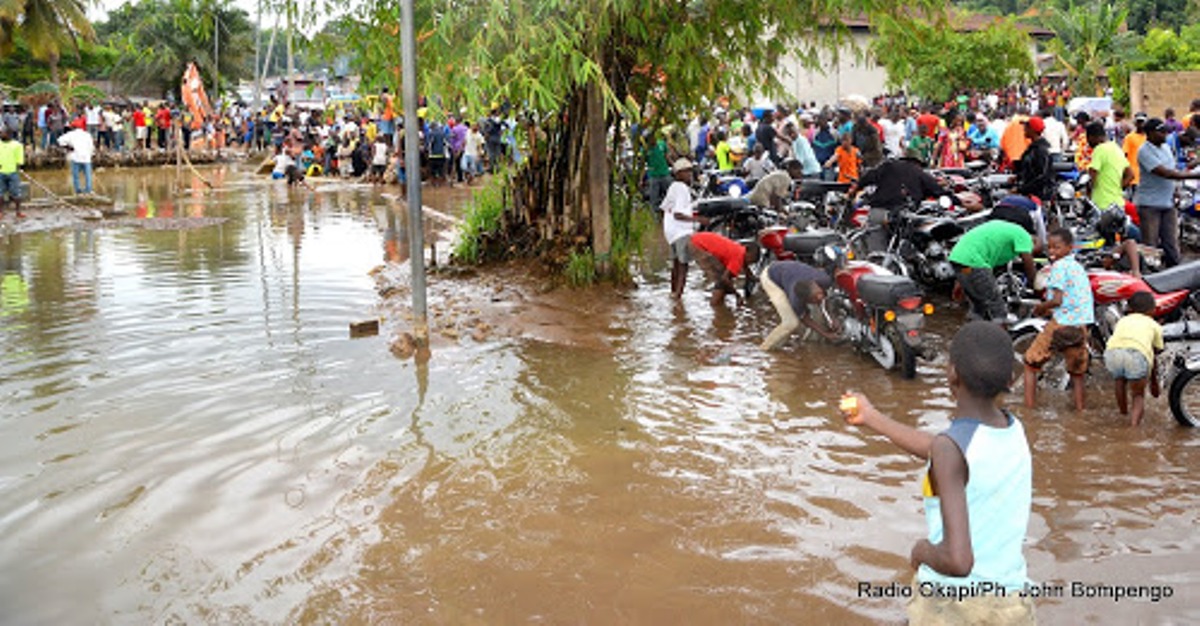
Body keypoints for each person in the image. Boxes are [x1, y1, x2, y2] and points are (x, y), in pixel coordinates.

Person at [841, 322, 1035, 625]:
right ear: (1011, 378)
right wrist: (872, 418)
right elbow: (944, 451)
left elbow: (958, 561)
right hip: (1010, 601)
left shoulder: (951, 448)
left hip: (955, 604)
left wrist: (922, 551)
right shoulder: (1011, 430)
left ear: (952, 373)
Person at [1023, 228, 1094, 411]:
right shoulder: (1078, 268)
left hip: (1061, 324)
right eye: (1050, 248)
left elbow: (1057, 300)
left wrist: (1041, 308)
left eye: (1057, 247)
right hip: (1080, 326)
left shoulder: (1059, 267)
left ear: (1069, 248)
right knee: (1078, 374)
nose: (1052, 252)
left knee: (1030, 364)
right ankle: (1080, 412)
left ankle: (1028, 411)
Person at [1135, 118, 1200, 267]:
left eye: (1165, 131)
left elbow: (1174, 169)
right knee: (1151, 246)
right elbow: (1165, 173)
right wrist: (1196, 175)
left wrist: (1176, 190)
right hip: (1150, 205)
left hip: (1168, 202)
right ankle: (1151, 276)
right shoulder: (1144, 151)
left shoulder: (1165, 147)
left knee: (1171, 242)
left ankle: (1174, 274)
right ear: (1150, 133)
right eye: (1161, 131)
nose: (1165, 134)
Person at [948, 219, 1037, 324]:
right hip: (974, 262)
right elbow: (1028, 261)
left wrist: (960, 281)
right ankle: (1000, 335)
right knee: (995, 303)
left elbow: (970, 268)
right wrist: (1034, 284)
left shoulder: (1008, 229)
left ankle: (972, 330)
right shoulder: (1024, 236)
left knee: (978, 303)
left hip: (959, 260)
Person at [1104, 291, 1164, 427]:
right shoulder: (1154, 325)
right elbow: (1155, 352)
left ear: (1130, 309)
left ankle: (1123, 413)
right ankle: (1133, 426)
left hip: (1112, 353)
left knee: (1119, 381)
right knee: (1138, 395)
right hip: (1136, 355)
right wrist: (1154, 381)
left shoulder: (1122, 320)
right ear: (1153, 310)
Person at [759, 260, 839, 350]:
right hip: (770, 278)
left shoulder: (824, 280)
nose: (820, 298)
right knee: (791, 323)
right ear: (806, 301)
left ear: (818, 286)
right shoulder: (796, 300)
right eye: (815, 299)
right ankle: (765, 349)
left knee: (819, 317)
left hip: (786, 270)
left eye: (820, 293)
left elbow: (824, 300)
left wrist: (831, 318)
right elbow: (804, 318)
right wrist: (826, 334)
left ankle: (810, 343)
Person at [661, 158, 705, 298]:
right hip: (681, 231)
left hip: (671, 232)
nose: (689, 175)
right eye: (686, 172)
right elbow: (678, 214)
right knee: (683, 264)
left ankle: (673, 291)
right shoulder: (681, 188)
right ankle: (678, 296)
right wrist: (698, 219)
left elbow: (665, 208)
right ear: (678, 174)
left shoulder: (673, 187)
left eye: (690, 172)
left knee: (676, 264)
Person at [688, 231, 760, 306]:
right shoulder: (738, 257)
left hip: (699, 239)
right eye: (751, 261)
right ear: (748, 254)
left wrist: (752, 277)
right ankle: (716, 307)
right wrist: (737, 295)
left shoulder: (740, 250)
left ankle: (720, 303)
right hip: (698, 245)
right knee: (720, 278)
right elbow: (724, 279)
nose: (750, 263)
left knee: (723, 274)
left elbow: (744, 264)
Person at [1085, 120, 1133, 212]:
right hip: (1118, 204)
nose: (1088, 143)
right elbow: (1130, 175)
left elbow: (1093, 175)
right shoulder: (1116, 148)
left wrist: (1089, 193)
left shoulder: (1099, 149)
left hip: (1102, 204)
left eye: (1088, 139)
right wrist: (1117, 188)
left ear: (1091, 137)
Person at [1014, 116, 1054, 202]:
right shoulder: (1033, 148)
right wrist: (1018, 177)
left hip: (1039, 196)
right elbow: (1031, 170)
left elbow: (1041, 176)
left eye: (1026, 127)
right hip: (1031, 194)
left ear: (1032, 130)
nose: (1024, 129)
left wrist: (1021, 190)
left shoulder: (1041, 150)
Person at [57, 119, 95, 195]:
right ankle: (89, 190)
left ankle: (78, 191)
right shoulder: (87, 135)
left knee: (76, 176)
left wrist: (68, 147)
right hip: (86, 158)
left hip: (75, 157)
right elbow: (91, 147)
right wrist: (90, 155)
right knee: (88, 175)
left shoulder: (71, 134)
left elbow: (59, 140)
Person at [644, 130, 673, 210]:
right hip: (654, 176)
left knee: (671, 193)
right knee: (654, 198)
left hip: (665, 173)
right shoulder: (645, 150)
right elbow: (643, 164)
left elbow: (667, 156)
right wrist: (640, 179)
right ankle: (655, 215)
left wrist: (674, 165)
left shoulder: (662, 144)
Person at [0, 128, 25, 219]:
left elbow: (20, 160)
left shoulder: (17, 145)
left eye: (3, 133)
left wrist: (19, 167)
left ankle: (18, 211)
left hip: (13, 172)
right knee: (0, 193)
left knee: (16, 193)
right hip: (1, 172)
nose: (1, 135)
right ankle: (1, 212)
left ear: (9, 135)